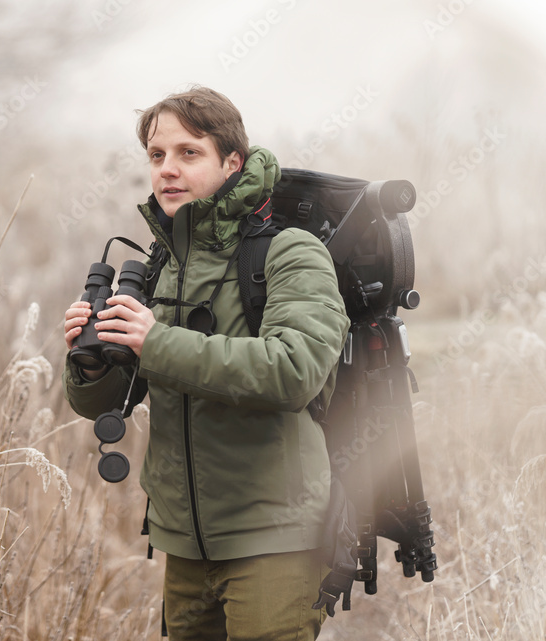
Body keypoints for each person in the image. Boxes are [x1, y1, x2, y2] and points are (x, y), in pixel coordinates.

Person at [62, 87, 350, 640]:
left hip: (275, 537)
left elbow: (293, 371)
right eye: (156, 155)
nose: (168, 169)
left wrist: (155, 342)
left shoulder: (290, 253)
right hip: (183, 540)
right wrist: (93, 363)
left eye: (189, 153)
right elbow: (106, 403)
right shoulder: (158, 267)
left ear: (231, 162)